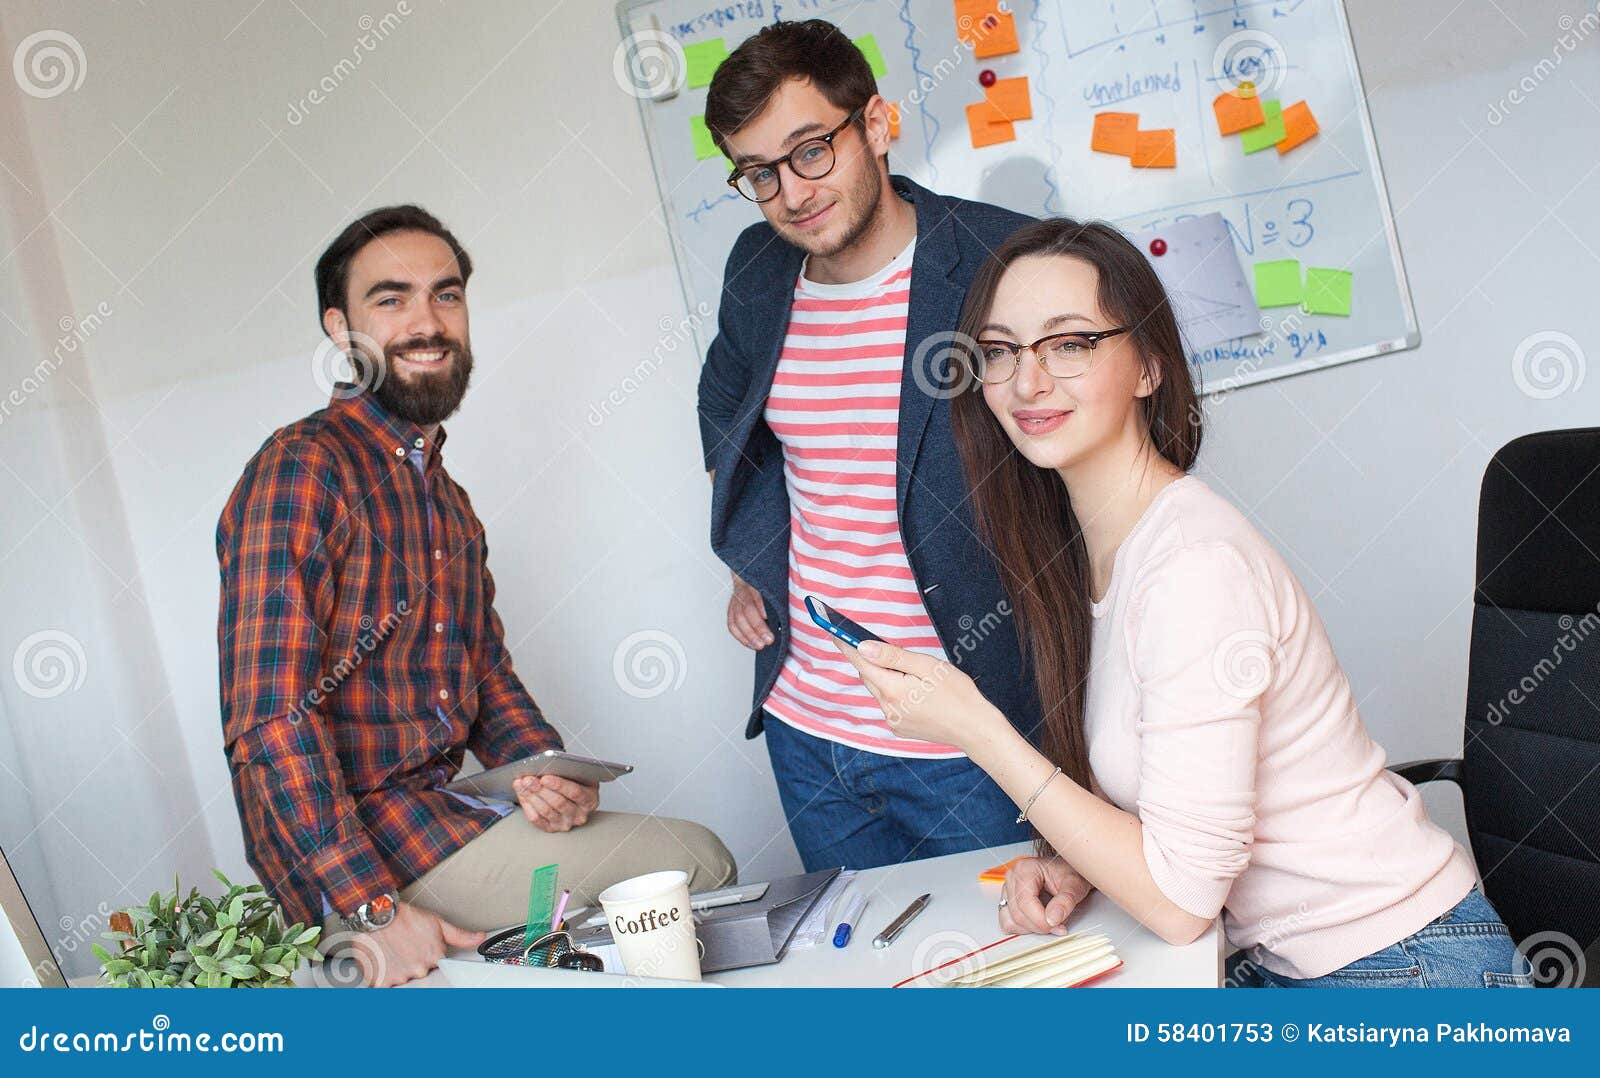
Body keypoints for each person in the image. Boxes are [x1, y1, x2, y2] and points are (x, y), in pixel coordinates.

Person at [831, 217, 1534, 988]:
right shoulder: (1098, 550)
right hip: (1292, 960)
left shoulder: (1194, 566)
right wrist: (1078, 862)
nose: (1027, 382)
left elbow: (1180, 903)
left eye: (1069, 343)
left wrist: (976, 730)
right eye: (1000, 350)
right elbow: (1173, 804)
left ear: (1147, 367)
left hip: (1407, 968)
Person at [217, 205, 735, 987]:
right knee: (696, 862)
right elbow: (267, 720)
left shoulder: (449, 502)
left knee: (648, 906)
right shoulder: (303, 470)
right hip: (366, 859)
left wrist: (544, 770)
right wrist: (371, 910)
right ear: (339, 327)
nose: (427, 321)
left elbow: (486, 673)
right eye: (390, 300)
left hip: (442, 818)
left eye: (446, 295)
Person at [696, 18, 1040, 871]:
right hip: (809, 726)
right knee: (871, 986)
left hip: (973, 730)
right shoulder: (756, 268)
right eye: (760, 172)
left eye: (812, 148)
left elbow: (1097, 471)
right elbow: (723, 412)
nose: (793, 191)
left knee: (1024, 977)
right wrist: (752, 553)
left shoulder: (1004, 259)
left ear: (878, 125)